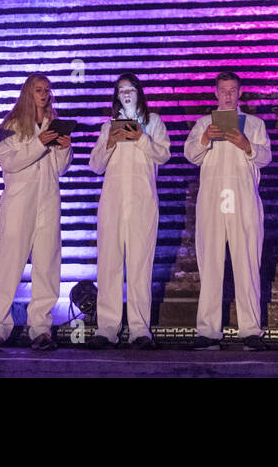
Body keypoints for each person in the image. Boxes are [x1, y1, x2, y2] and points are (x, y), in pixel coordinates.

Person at [182, 71, 271, 350]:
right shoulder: (203, 123)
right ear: (216, 92)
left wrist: (247, 145)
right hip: (212, 198)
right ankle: (208, 330)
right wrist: (205, 138)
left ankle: (250, 330)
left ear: (240, 92)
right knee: (210, 262)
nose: (228, 95)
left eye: (233, 90)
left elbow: (266, 156)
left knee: (246, 261)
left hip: (243, 197)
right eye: (224, 90)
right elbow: (190, 154)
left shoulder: (255, 124)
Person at [0, 74, 73, 351]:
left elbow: (58, 168)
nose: (44, 94)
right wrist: (39, 143)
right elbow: (8, 162)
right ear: (28, 92)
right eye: (38, 89)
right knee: (9, 265)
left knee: (47, 266)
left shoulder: (51, 122)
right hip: (19, 203)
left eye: (47, 89)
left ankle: (41, 329)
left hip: (47, 201)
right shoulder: (11, 124)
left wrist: (64, 150)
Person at [86, 74, 171, 349]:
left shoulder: (154, 121)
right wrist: (110, 142)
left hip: (142, 203)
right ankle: (107, 328)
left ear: (139, 93)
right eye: (121, 90)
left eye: (130, 89)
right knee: (109, 265)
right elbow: (95, 165)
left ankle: (140, 330)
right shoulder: (107, 126)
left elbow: (164, 155)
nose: (125, 94)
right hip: (112, 204)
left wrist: (141, 138)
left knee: (139, 267)